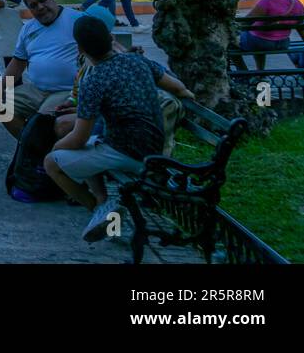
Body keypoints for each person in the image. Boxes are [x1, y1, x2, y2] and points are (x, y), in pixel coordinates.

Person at [44, 13, 195, 242]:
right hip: (154, 150)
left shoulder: (93, 81)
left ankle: (99, 209)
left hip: (127, 154)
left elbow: (78, 137)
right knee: (89, 147)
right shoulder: (138, 61)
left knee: (52, 163)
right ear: (111, 38)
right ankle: (105, 204)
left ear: (80, 50)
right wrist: (188, 97)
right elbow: (179, 88)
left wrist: (56, 147)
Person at [0, 0, 82, 138]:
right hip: (36, 90)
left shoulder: (77, 20)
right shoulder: (28, 28)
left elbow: (105, 46)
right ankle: (31, 148)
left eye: (43, 1)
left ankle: (37, 151)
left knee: (42, 120)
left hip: (67, 90)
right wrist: (0, 90)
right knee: (1, 105)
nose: (40, 7)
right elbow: (17, 63)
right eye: (33, 5)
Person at [240, 0, 304, 70]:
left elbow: (246, 22)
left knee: (232, 44)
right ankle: (260, 72)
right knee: (254, 37)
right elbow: (301, 29)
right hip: (283, 43)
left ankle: (243, 74)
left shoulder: (266, 1)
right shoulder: (296, 3)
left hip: (261, 42)